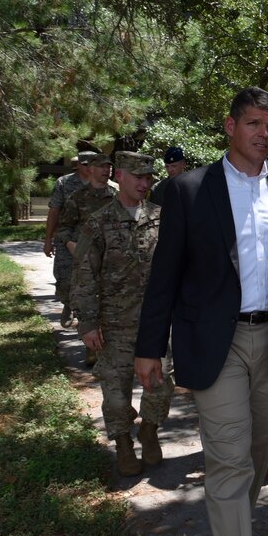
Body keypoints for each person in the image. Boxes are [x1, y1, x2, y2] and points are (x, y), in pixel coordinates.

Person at [134, 87, 268, 536]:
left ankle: (233, 528)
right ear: (230, 126)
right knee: (230, 461)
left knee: (259, 452)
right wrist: (149, 347)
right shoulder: (189, 190)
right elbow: (164, 275)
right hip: (215, 341)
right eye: (254, 123)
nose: (265, 134)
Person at [72, 152, 173, 476]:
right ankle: (123, 444)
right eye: (138, 177)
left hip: (155, 325)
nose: (144, 184)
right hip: (114, 326)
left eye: (148, 178)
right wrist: (87, 323)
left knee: (160, 387)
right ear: (119, 176)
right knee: (116, 396)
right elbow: (84, 275)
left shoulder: (162, 218)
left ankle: (149, 431)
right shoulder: (98, 222)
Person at [56, 153, 115, 365]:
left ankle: (106, 348)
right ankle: (91, 347)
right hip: (86, 260)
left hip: (112, 258)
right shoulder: (78, 198)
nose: (106, 170)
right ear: (91, 169)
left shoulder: (117, 196)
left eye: (109, 167)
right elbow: (63, 228)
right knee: (88, 301)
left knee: (109, 302)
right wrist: (72, 246)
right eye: (102, 166)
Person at [46, 154, 90, 326]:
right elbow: (54, 211)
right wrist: (48, 240)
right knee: (64, 278)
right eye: (85, 164)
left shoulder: (106, 186)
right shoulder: (64, 183)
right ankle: (68, 304)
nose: (89, 167)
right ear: (77, 165)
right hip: (67, 239)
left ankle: (83, 316)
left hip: (93, 242)